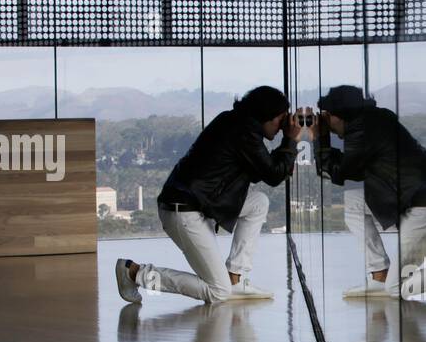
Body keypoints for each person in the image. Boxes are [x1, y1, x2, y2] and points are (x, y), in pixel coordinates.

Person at [114, 86, 296, 305]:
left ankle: (235, 279)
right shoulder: (244, 131)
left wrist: (285, 149)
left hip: (200, 203)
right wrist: (291, 140)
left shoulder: (235, 122)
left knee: (258, 203)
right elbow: (274, 175)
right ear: (266, 115)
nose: (282, 126)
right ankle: (134, 273)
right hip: (184, 210)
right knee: (218, 292)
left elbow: (262, 172)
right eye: (281, 119)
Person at [310, 85, 426, 299]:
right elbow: (350, 167)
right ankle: (379, 274)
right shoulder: (376, 120)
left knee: (395, 288)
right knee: (354, 201)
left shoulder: (362, 132)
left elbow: (339, 173)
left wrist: (319, 137)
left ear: (340, 114)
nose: (326, 120)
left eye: (328, 115)